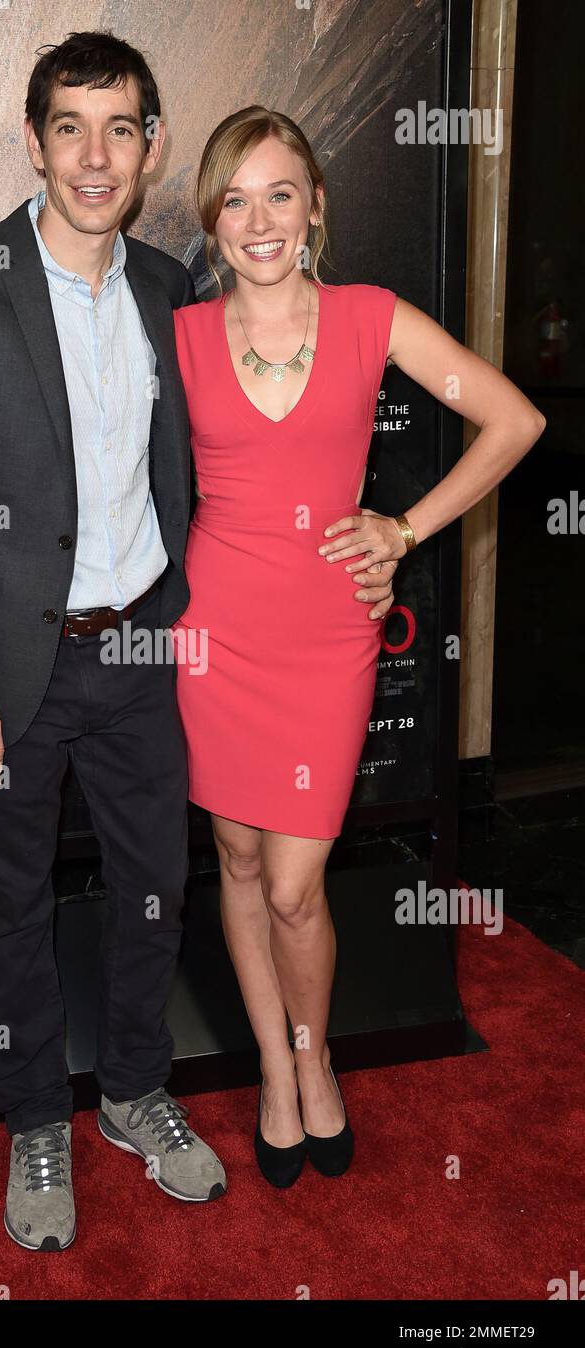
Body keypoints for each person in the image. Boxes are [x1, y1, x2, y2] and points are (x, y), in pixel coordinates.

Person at [0, 35, 396, 1251]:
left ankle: (129, 1090)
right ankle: (32, 1118)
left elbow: (263, 447)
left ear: (153, 145)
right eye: (71, 126)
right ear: (35, 140)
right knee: (9, 903)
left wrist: (370, 541)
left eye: (121, 127)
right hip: (8, 668)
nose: (96, 154)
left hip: (153, 651)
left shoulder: (178, 293)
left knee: (154, 891)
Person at [171, 106, 545, 1189]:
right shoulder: (182, 333)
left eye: (278, 193)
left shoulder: (369, 317)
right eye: (234, 198)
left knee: (294, 884)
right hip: (214, 636)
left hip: (325, 635)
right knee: (236, 864)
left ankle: (312, 1051)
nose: (257, 219)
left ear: (314, 207)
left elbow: (512, 422)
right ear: (210, 216)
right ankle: (278, 1083)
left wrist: (403, 527)